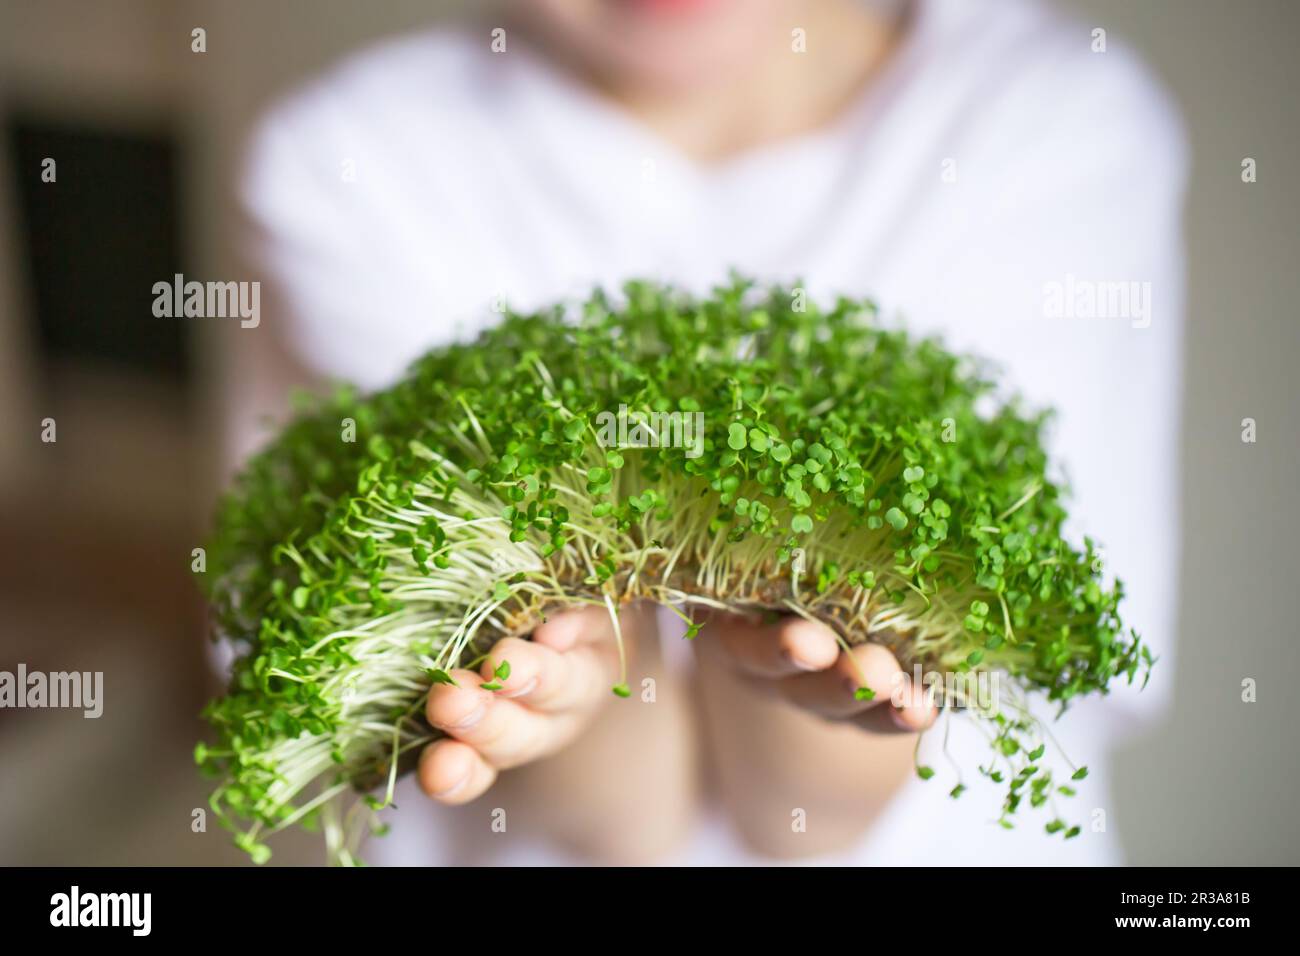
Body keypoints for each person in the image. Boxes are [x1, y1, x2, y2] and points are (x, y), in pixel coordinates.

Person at [234, 0, 1187, 865]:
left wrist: (809, 673)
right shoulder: (354, 160)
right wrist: (588, 681)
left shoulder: (1051, 122)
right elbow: (615, 828)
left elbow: (858, 792)